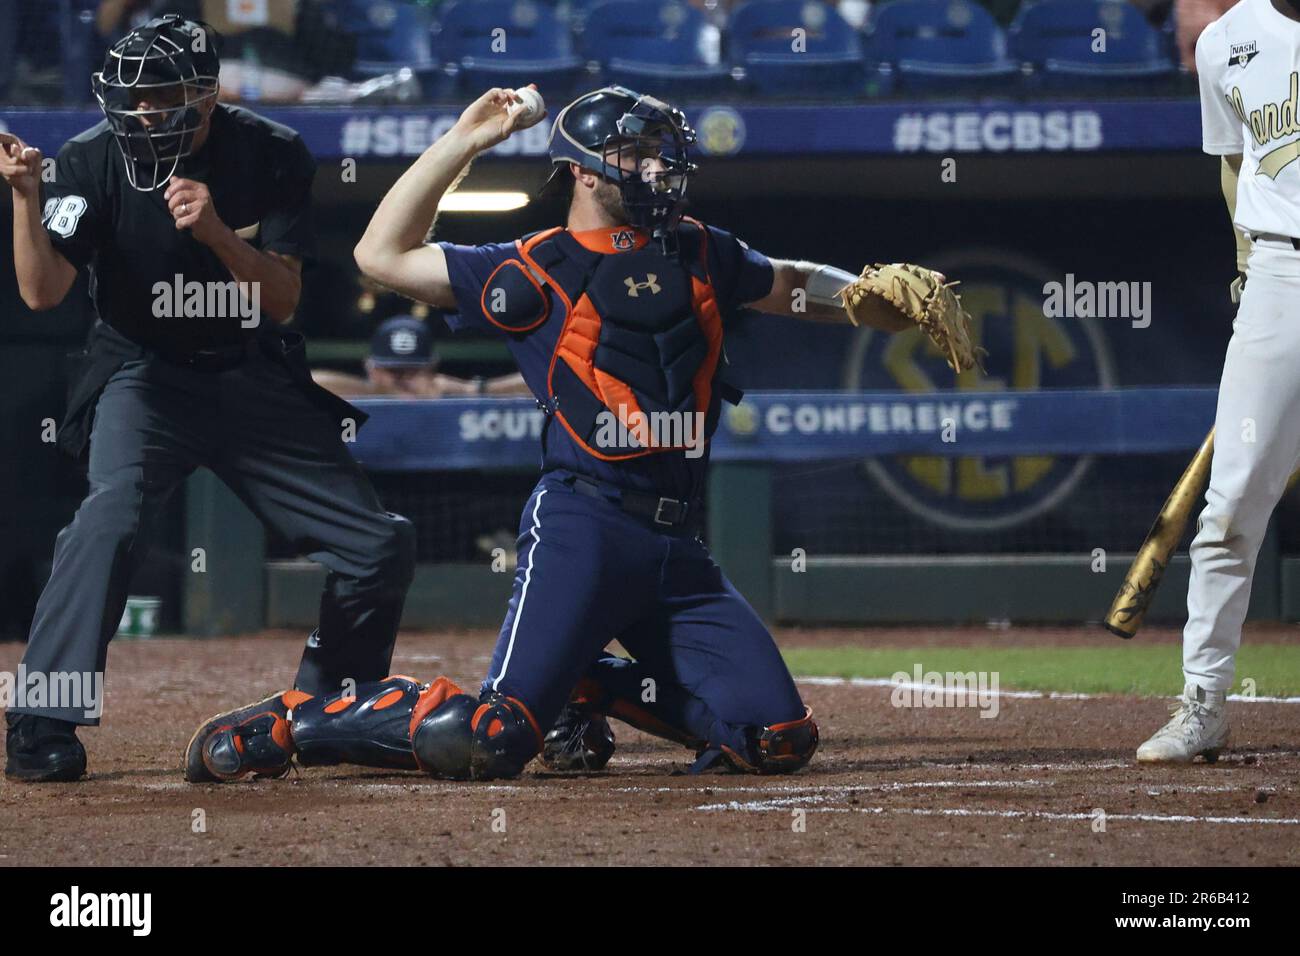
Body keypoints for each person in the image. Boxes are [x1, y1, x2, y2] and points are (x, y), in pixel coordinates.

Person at [184, 84, 939, 784]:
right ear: (581, 172)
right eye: (637, 155)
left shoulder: (702, 248)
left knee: (776, 739)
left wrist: (873, 299)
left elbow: (795, 282)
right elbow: (380, 255)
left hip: (677, 543)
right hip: (586, 522)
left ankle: (586, 683)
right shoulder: (531, 267)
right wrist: (465, 141)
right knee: (490, 737)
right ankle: (296, 721)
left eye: (662, 154)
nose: (657, 169)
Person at [0, 15, 414, 782]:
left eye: (161, 96)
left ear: (207, 97)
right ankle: (41, 717)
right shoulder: (90, 159)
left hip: (250, 372)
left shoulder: (273, 152)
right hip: (143, 374)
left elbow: (283, 300)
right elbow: (41, 290)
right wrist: (26, 197)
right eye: (131, 96)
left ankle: (325, 713)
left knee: (377, 544)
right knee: (107, 517)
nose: (144, 112)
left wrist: (222, 235)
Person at [1137, 0, 1300, 762]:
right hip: (1281, 269)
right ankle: (1202, 703)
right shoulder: (1225, 43)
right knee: (1231, 500)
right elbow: (1235, 166)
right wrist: (1247, 267)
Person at [311, 315, 528, 398]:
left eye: (412, 370)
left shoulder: (446, 394)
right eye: (392, 371)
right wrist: (378, 392)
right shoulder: (358, 396)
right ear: (371, 367)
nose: (402, 379)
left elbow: (548, 387)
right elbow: (308, 383)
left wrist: (471, 389)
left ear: (432, 367)